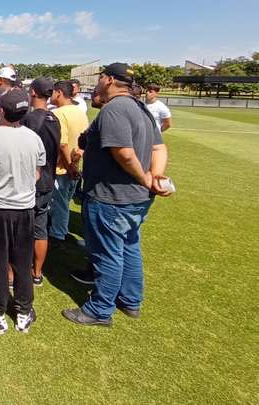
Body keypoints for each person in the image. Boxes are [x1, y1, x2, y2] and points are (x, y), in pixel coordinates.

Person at [62, 63, 170, 326]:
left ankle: (99, 309)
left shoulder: (115, 109)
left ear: (108, 80)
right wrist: (155, 177)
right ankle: (130, 300)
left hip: (112, 195)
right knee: (129, 246)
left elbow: (123, 152)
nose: (98, 83)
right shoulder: (140, 107)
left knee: (107, 253)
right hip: (136, 196)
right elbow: (159, 148)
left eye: (100, 78)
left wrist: (146, 177)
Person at [0, 89, 44, 334]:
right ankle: (24, 311)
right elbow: (36, 173)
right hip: (25, 209)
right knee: (23, 262)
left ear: (1, 111)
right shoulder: (34, 138)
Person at [21, 77, 61, 286]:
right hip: (48, 180)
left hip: (32, 181)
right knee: (40, 228)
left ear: (34, 93)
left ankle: (20, 270)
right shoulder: (54, 118)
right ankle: (37, 273)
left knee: (23, 229)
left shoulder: (30, 119)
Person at [48, 80, 90, 244]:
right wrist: (76, 161)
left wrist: (69, 166)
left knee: (60, 203)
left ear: (58, 93)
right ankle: (58, 230)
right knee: (63, 201)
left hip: (63, 167)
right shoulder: (80, 111)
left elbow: (62, 143)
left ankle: (58, 234)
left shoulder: (59, 113)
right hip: (75, 163)